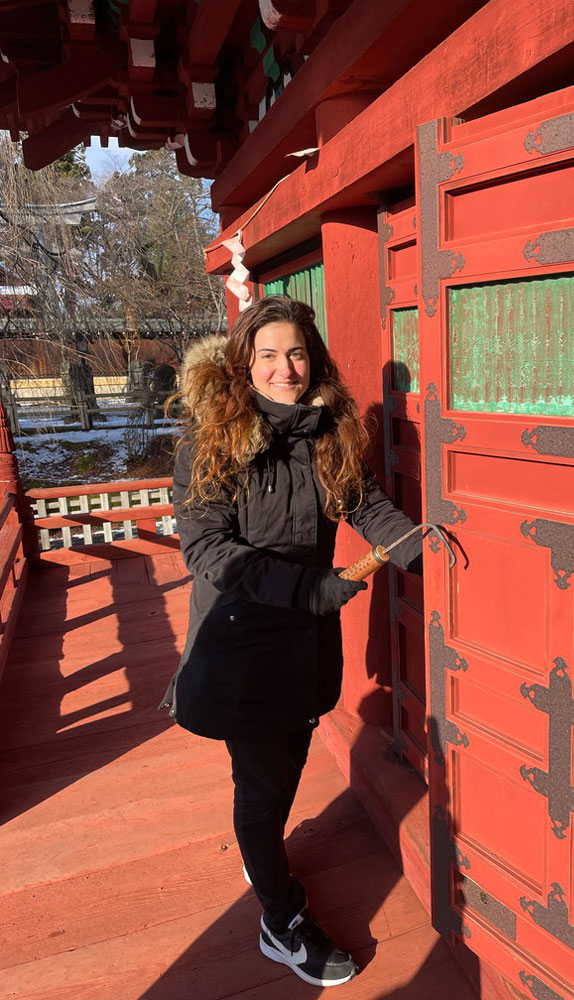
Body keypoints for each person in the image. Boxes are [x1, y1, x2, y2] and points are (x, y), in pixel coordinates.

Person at [159, 295, 422, 987]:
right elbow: (208, 547)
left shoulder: (328, 429)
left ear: (316, 358)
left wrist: (407, 540)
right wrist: (310, 591)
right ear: (245, 361)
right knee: (263, 779)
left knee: (290, 765)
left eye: (297, 353)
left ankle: (264, 849)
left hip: (305, 641)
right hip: (241, 641)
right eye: (269, 354)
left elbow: (360, 500)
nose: (286, 368)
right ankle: (280, 917)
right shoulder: (211, 435)